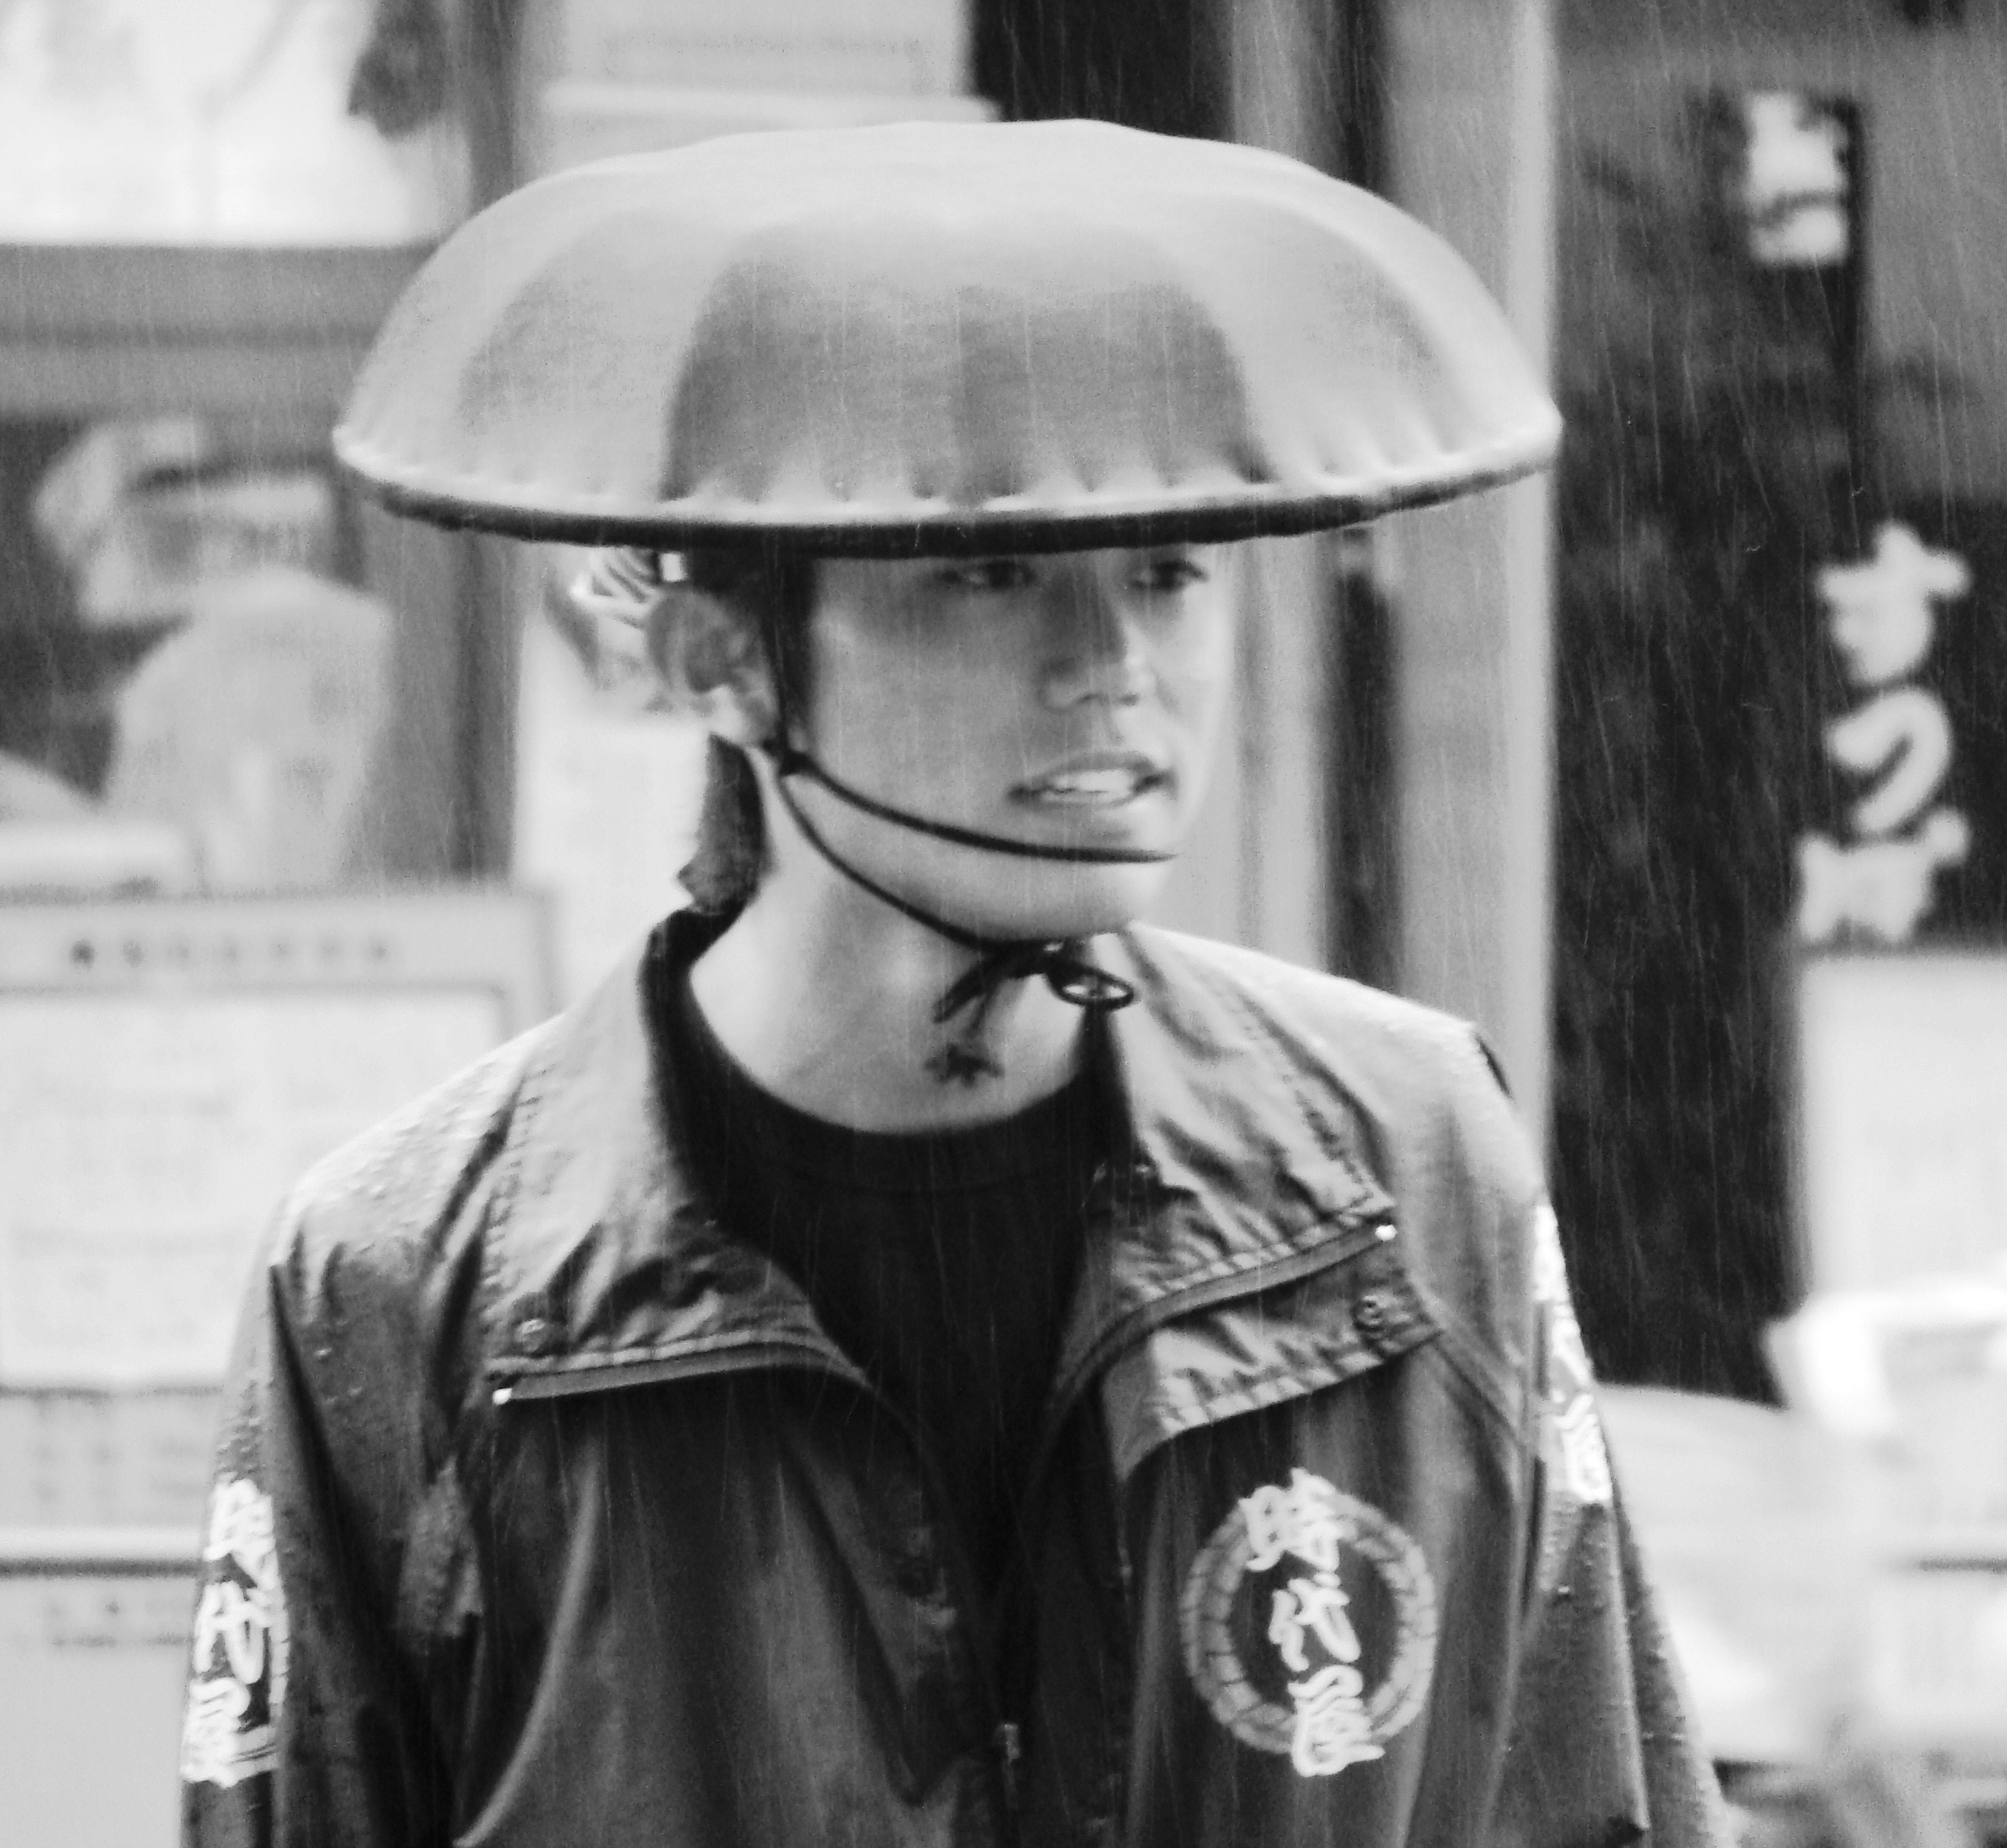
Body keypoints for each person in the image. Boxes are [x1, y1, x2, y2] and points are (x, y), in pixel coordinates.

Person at [180, 120, 1725, 1846]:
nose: (1112, 667)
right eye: (990, 576)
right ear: (722, 657)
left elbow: (1597, 1797)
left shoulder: (1405, 1152)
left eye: (1167, 574)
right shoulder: (405, 1272)